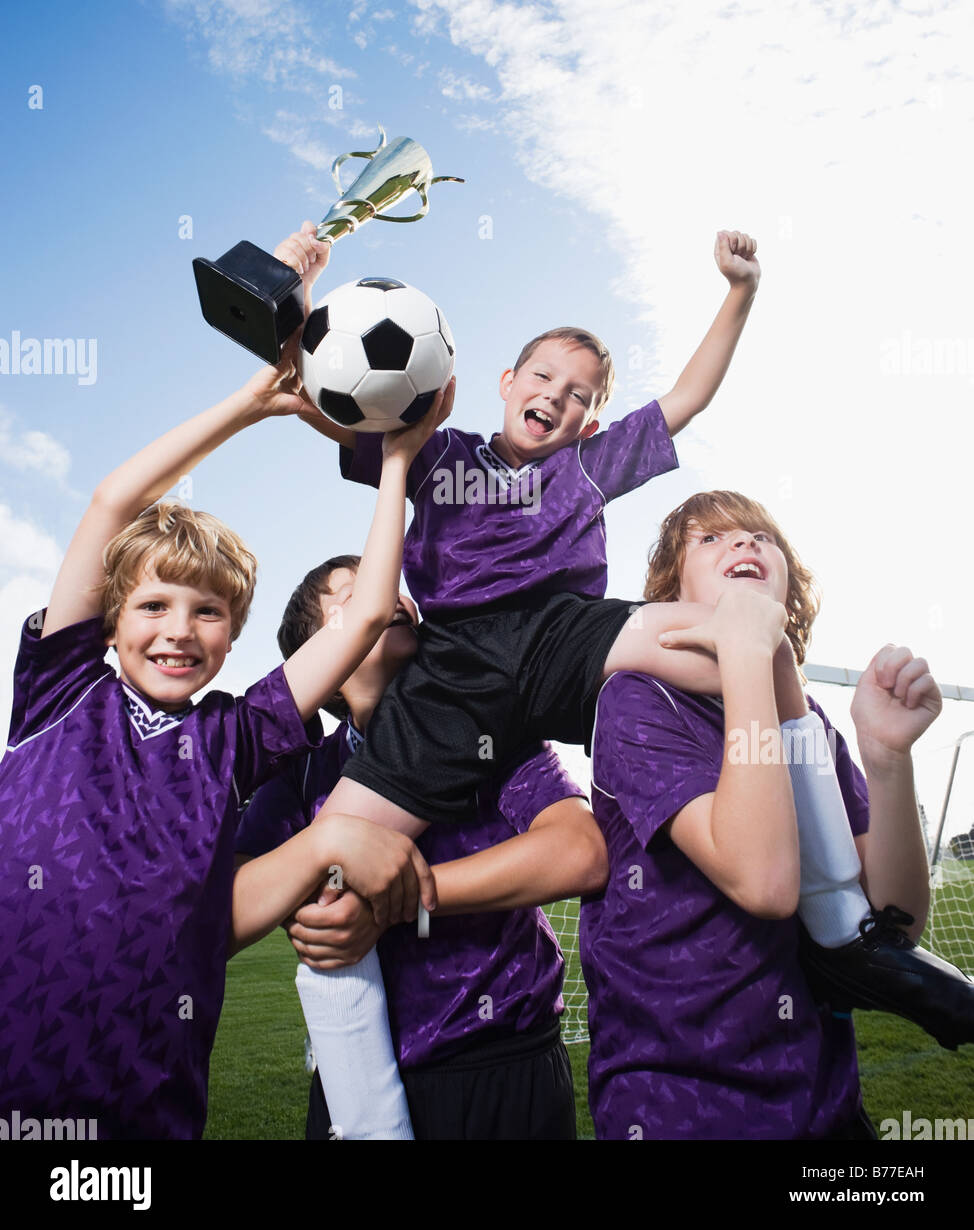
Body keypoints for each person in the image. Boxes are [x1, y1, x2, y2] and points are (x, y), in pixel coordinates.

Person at [275, 220, 759, 1136]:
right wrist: (298, 294)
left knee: (731, 642)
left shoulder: (589, 466)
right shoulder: (439, 452)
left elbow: (688, 396)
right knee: (327, 863)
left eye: (581, 395)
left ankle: (831, 914)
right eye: (542, 378)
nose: (558, 398)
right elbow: (326, 393)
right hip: (453, 666)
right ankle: (367, 1116)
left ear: (591, 417)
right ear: (504, 382)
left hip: (559, 638)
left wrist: (739, 291)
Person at [0, 346, 447, 1139]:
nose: (179, 631)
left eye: (207, 612)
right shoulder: (58, 695)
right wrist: (246, 406)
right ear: (109, 621)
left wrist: (399, 464)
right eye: (153, 607)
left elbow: (369, 610)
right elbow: (112, 502)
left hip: (147, 1110)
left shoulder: (234, 739)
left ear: (234, 634)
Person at [580, 490, 974, 1140]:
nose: (743, 543)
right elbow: (763, 881)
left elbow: (893, 921)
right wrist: (749, 656)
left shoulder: (809, 723)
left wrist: (885, 757)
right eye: (709, 539)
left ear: (790, 587)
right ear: (671, 595)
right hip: (679, 1099)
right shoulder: (638, 700)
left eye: (761, 536)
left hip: (822, 1095)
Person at [232, 554, 608, 1140]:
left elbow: (579, 852)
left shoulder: (490, 723)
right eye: (359, 595)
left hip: (503, 1067)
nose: (397, 600)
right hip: (353, 1075)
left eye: (397, 588)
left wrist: (397, 901)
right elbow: (232, 900)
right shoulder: (301, 774)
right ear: (319, 655)